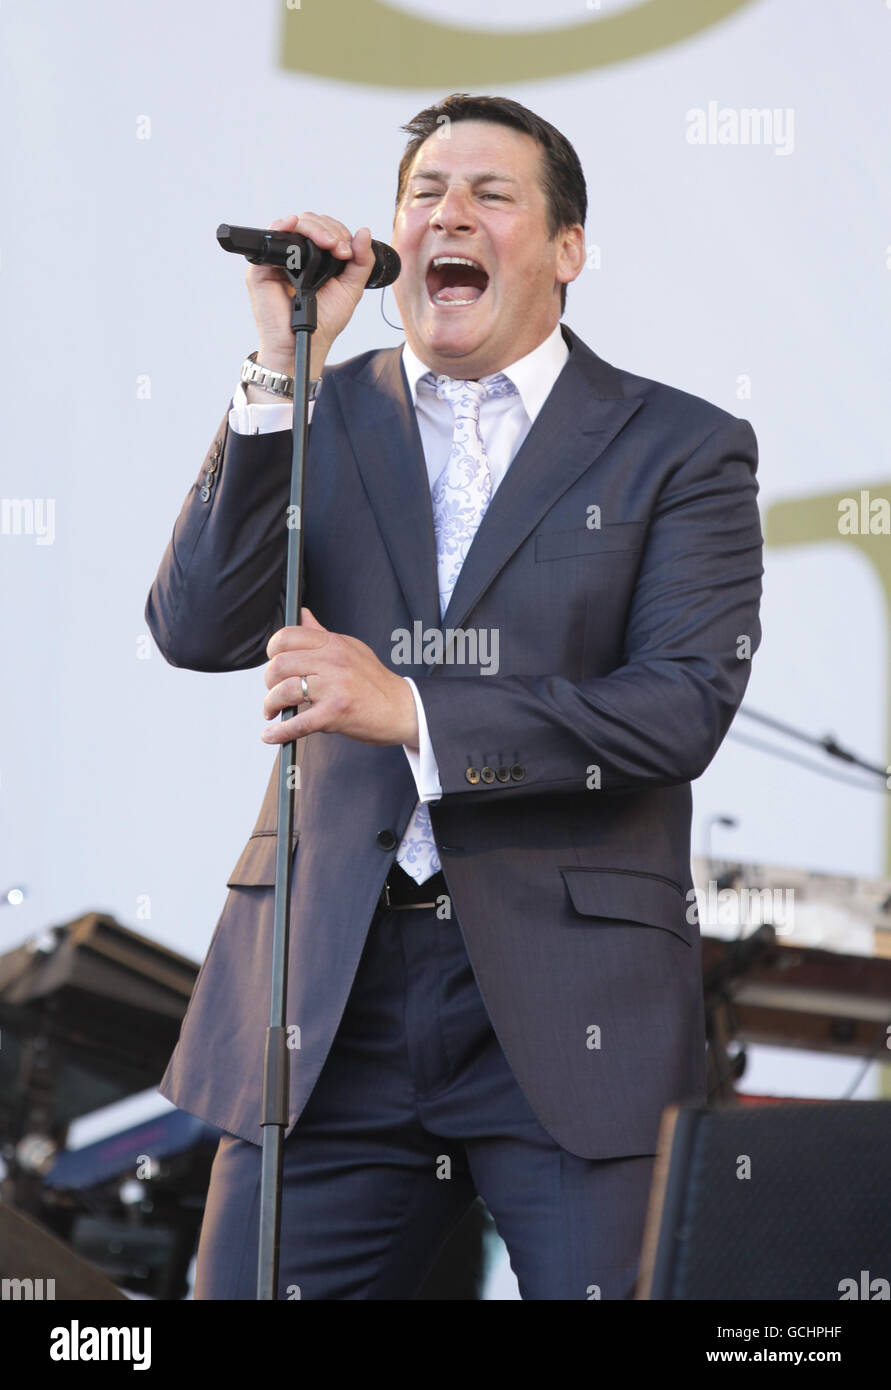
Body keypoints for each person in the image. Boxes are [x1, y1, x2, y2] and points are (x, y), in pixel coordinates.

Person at [146, 93, 763, 1300]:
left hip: (570, 1005)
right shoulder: (320, 411)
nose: (448, 215)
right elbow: (193, 626)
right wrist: (280, 365)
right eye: (424, 194)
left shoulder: (679, 447)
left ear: (568, 249)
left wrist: (417, 712)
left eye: (489, 194)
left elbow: (680, 705)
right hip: (325, 1002)